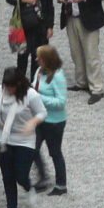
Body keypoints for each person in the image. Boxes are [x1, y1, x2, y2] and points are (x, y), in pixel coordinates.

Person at [0, 67, 46, 208]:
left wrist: (32, 122)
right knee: (7, 176)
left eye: (11, 86)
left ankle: (29, 187)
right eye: (6, 86)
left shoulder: (31, 95)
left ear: (19, 83)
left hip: (25, 141)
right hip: (4, 139)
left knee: (20, 175)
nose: (8, 89)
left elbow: (42, 112)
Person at [53, 0, 104, 101]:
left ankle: (97, 88)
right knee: (76, 53)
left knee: (91, 54)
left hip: (88, 18)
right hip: (71, 17)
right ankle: (81, 81)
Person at [6, 0, 54, 75]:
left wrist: (50, 26)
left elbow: (49, 5)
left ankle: (35, 84)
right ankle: (21, 82)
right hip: (24, 24)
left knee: (38, 57)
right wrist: (24, 0)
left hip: (40, 24)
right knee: (22, 55)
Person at [31, 45, 69, 196]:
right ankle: (43, 178)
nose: (36, 60)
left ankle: (61, 185)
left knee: (55, 152)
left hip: (54, 122)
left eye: (39, 57)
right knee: (32, 149)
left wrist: (39, 97)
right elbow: (34, 87)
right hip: (39, 118)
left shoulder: (58, 76)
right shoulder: (39, 72)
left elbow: (61, 102)